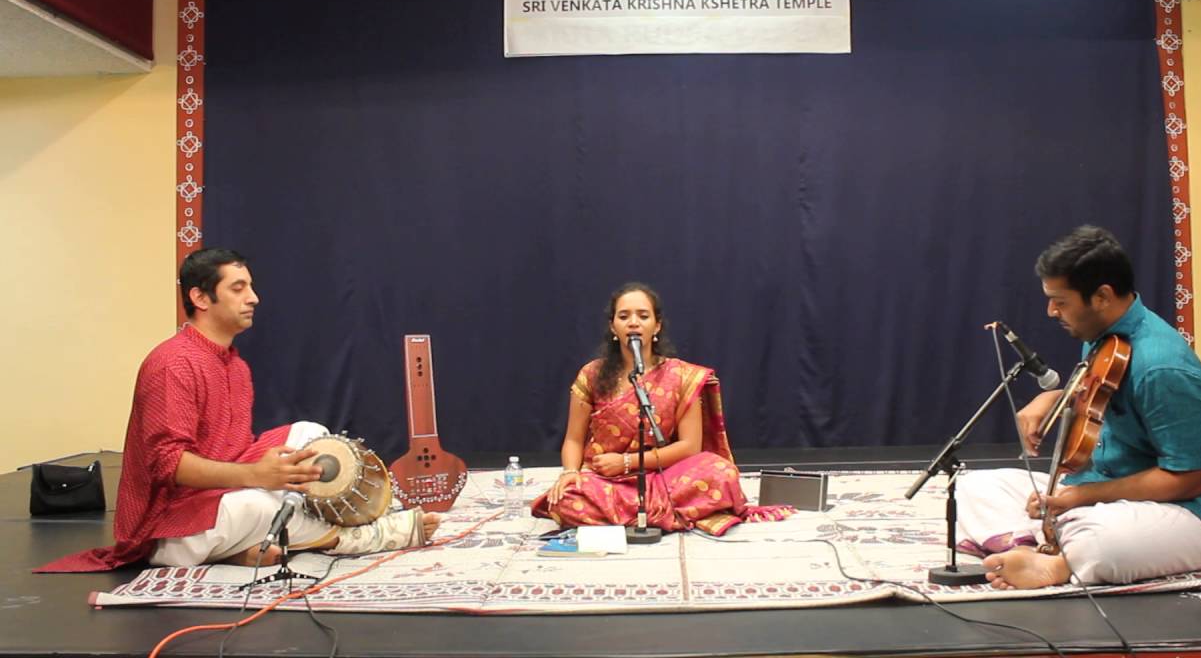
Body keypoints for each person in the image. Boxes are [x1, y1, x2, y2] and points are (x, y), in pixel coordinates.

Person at [38, 249, 441, 572]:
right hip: (169, 524)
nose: (254, 298)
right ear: (200, 297)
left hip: (217, 495)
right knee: (261, 504)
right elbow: (168, 464)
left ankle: (249, 545)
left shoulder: (235, 364)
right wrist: (255, 476)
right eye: (238, 288)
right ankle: (356, 537)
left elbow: (233, 448)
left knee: (308, 433)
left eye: (251, 287)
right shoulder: (172, 363)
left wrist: (268, 470)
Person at [956, 226, 1201, 589]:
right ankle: (1034, 546)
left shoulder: (1162, 370)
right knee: (976, 486)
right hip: (1110, 488)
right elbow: (1096, 396)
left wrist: (1082, 496)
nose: (1050, 311)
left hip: (1190, 513)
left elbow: (1192, 478)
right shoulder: (1104, 334)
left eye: (1060, 301)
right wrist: (1055, 398)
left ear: (1102, 296)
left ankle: (1057, 563)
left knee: (1099, 540)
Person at [530, 282, 793, 536]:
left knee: (720, 472)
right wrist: (570, 473)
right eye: (624, 316)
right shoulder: (592, 374)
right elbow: (574, 439)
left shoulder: (680, 375)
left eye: (643, 316)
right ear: (613, 326)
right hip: (605, 481)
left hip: (664, 476)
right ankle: (666, 514)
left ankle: (633, 515)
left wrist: (625, 462)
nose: (633, 322)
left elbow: (690, 446)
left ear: (656, 325)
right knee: (566, 499)